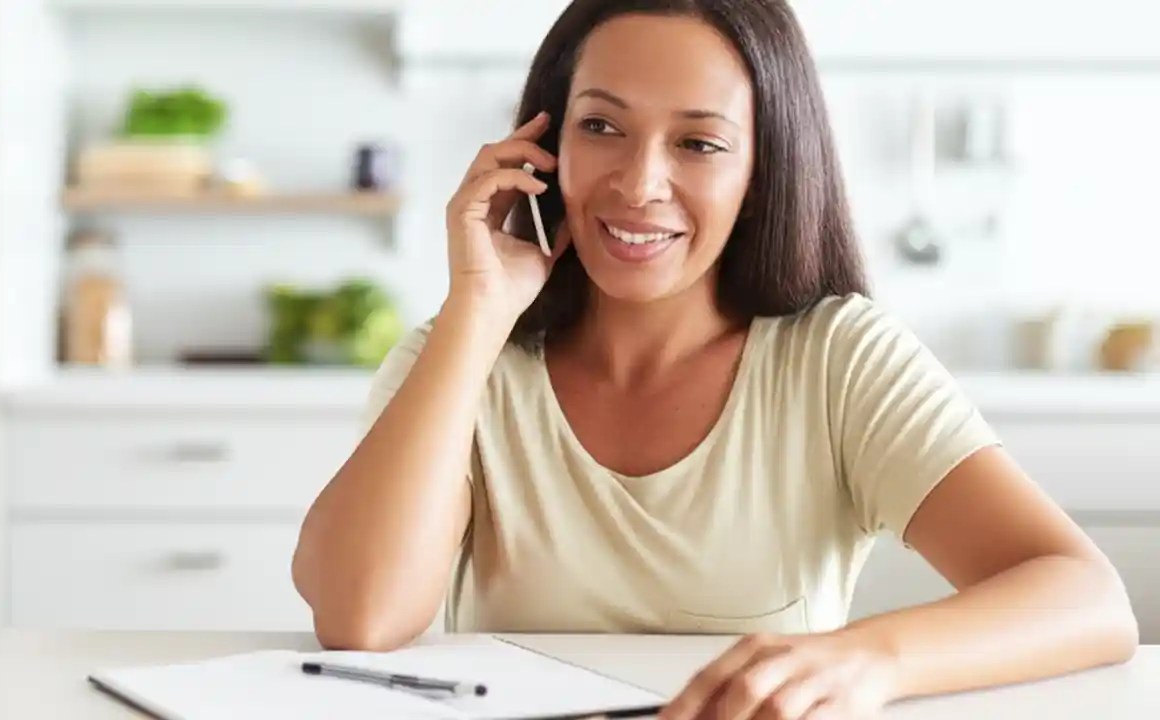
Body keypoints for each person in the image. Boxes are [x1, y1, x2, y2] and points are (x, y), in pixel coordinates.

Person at [292, 0, 1139, 717]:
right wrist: (475, 313)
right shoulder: (458, 359)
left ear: (761, 172)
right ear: (544, 149)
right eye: (601, 127)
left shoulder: (839, 360)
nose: (637, 182)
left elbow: (1086, 597)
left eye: (698, 144)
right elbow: (360, 618)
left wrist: (867, 661)